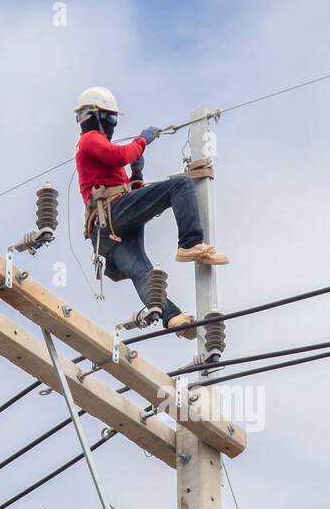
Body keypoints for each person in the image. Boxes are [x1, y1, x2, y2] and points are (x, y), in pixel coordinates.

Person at [73, 85, 229, 337]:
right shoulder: (90, 140)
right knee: (180, 186)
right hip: (111, 216)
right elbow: (123, 154)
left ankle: (172, 318)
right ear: (99, 117)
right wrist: (143, 140)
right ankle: (190, 244)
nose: (113, 124)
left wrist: (136, 174)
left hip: (106, 232)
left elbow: (124, 184)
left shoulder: (95, 149)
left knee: (140, 270)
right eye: (111, 118)